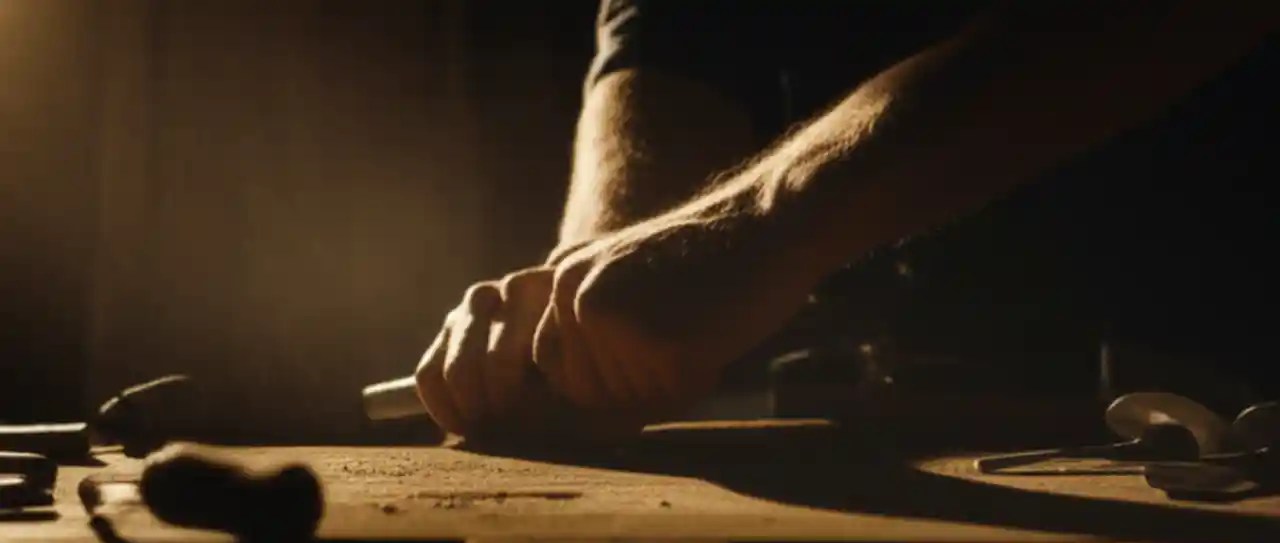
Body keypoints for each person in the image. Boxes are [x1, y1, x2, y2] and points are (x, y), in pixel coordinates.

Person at [414, 1, 1280, 440]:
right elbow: (674, 39)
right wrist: (583, 305)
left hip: (1231, 389)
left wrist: (760, 220)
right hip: (900, 421)